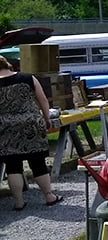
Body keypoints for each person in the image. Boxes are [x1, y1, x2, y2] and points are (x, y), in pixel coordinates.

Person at [0, 55, 63, 210]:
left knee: (12, 165)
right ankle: (49, 196)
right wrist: (47, 118)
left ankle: (19, 202)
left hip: (6, 126)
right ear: (7, 64)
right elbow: (42, 99)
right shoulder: (27, 77)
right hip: (31, 123)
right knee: (37, 162)